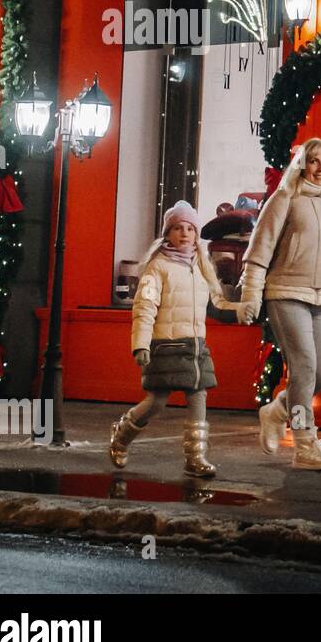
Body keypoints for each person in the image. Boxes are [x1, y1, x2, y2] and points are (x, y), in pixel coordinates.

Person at [237, 139, 321, 470]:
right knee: (304, 367)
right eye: (314, 161)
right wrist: (252, 294)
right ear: (302, 165)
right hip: (285, 293)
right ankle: (305, 441)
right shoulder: (285, 198)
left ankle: (277, 411)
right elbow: (259, 250)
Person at [110, 201, 232, 477]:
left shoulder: (202, 267)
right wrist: (140, 344)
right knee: (157, 401)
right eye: (178, 228)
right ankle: (122, 435)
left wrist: (242, 311)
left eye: (190, 228)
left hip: (195, 347)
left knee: (198, 396)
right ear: (168, 234)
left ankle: (195, 458)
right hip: (165, 345)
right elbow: (145, 307)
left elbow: (216, 304)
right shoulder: (158, 267)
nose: (184, 233)